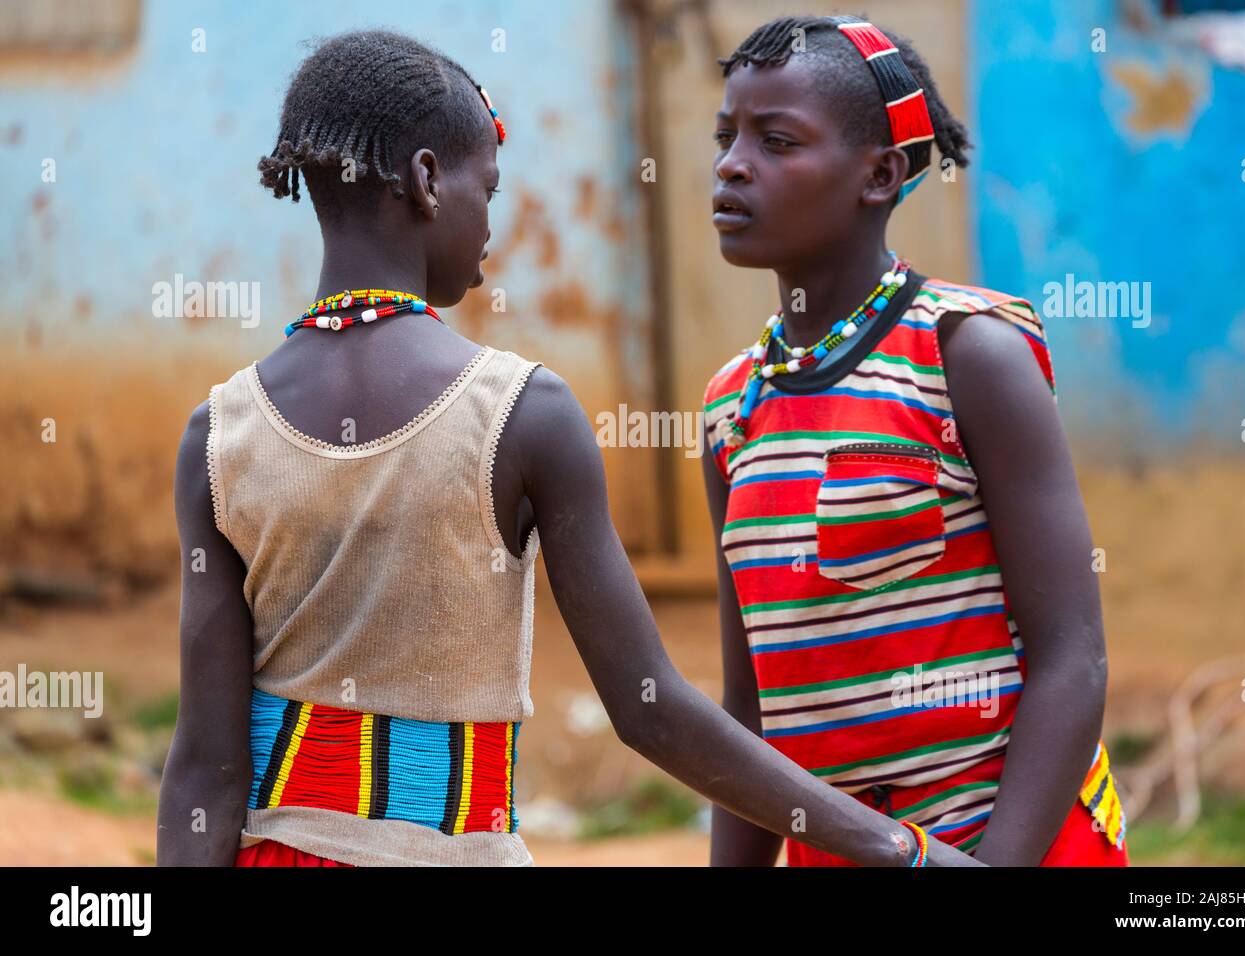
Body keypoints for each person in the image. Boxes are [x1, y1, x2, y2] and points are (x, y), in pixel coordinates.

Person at [155, 29, 980, 868]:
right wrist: (894, 847)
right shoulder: (519, 412)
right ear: (429, 179)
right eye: (489, 188)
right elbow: (649, 707)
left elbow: (204, 770)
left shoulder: (219, 433)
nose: (490, 226)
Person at [701, 15, 1129, 866]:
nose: (731, 165)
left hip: (1016, 842)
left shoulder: (967, 354)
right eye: (727, 136)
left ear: (880, 174)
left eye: (776, 140)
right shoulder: (731, 409)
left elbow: (1072, 659)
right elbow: (748, 710)